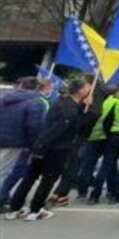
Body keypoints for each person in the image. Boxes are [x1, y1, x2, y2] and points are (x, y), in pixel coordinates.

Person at [5, 78, 96, 221]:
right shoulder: (70, 108)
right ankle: (36, 209)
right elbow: (65, 127)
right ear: (81, 90)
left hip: (43, 144)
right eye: (87, 88)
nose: (90, 90)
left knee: (30, 176)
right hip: (56, 148)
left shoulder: (62, 102)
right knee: (48, 179)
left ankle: (15, 207)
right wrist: (44, 144)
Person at [0, 77, 48, 211]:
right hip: (15, 141)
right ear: (37, 87)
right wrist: (33, 145)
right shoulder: (35, 102)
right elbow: (33, 126)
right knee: (4, 171)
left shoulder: (4, 98)